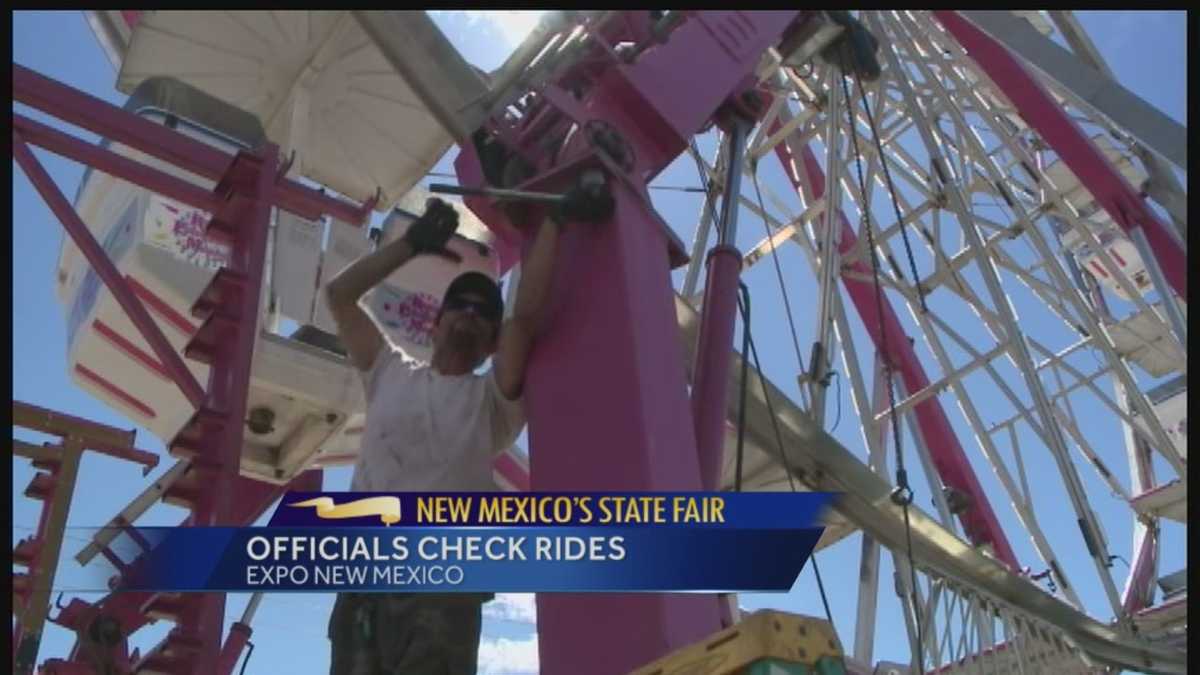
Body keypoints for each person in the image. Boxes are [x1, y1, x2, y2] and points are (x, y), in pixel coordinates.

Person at [323, 186, 611, 674]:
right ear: (435, 323)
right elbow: (339, 296)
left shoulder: (492, 404)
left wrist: (554, 224)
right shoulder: (388, 370)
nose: (472, 315)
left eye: (485, 313)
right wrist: (411, 244)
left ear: (491, 342)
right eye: (462, 305)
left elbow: (525, 320)